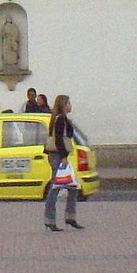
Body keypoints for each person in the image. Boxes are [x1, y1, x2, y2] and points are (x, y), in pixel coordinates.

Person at [43, 93, 83, 232]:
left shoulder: (62, 118)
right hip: (58, 156)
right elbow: (59, 139)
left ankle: (70, 217)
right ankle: (50, 219)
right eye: (69, 103)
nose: (70, 106)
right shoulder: (60, 119)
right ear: (64, 105)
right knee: (56, 187)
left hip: (60, 155)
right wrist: (64, 156)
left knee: (73, 187)